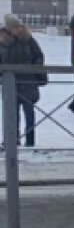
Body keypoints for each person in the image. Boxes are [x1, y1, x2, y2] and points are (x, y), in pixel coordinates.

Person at [0, 14, 48, 147]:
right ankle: (12, 140)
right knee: (11, 114)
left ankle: (30, 140)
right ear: (9, 28)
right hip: (10, 84)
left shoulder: (28, 40)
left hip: (28, 83)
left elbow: (38, 55)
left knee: (29, 114)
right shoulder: (2, 41)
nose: (19, 29)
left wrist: (35, 69)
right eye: (16, 27)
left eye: (20, 26)